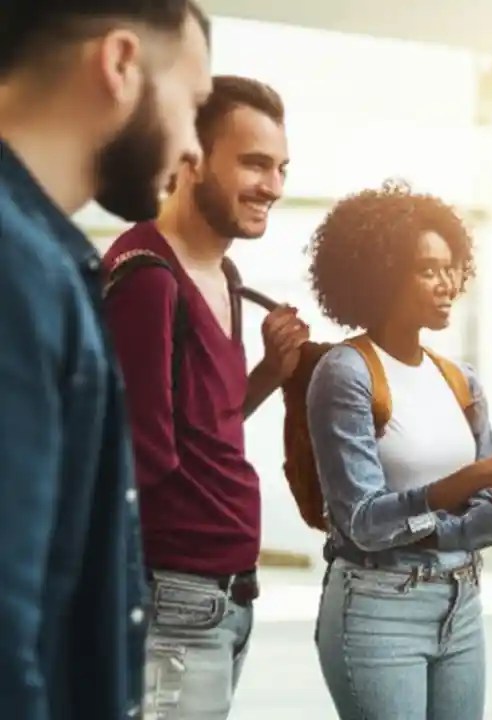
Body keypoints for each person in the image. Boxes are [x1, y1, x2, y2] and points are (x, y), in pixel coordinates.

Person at [0, 2, 211, 718]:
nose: (194, 148)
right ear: (121, 63)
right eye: (194, 104)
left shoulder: (46, 260)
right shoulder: (15, 268)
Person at [101, 74, 308, 719]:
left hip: (225, 597)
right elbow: (139, 459)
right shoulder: (147, 278)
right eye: (253, 163)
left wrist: (272, 373)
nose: (271, 185)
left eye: (280, 167)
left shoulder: (224, 275)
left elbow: (202, 422)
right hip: (175, 600)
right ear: (191, 157)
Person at [306, 180, 492, 720]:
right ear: (383, 274)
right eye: (427, 269)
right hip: (378, 607)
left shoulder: (459, 381)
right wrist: (470, 481)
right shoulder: (347, 372)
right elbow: (364, 522)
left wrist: (446, 514)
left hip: (461, 601)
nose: (448, 284)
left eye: (452, 267)